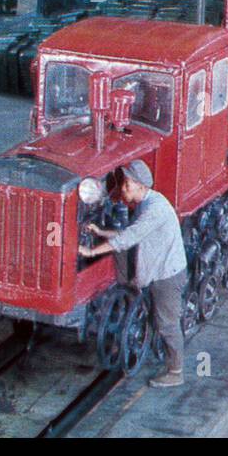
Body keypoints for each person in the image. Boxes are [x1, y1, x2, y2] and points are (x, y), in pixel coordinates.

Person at [79, 159, 189, 387]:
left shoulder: (154, 209)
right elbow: (129, 232)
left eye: (128, 184)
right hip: (156, 270)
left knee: (167, 324)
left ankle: (176, 372)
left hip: (166, 275)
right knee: (161, 319)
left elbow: (128, 238)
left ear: (141, 186)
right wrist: (101, 231)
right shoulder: (145, 204)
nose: (123, 188)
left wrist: (91, 251)